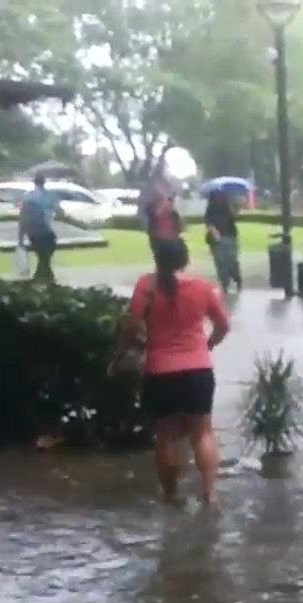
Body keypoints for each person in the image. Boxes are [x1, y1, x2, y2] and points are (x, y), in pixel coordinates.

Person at [109, 238, 229, 505]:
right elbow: (223, 326)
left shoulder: (146, 285)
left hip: (160, 371)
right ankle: (209, 493)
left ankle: (170, 494)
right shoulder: (203, 287)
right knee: (202, 433)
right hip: (198, 371)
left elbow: (130, 327)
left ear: (157, 258)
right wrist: (206, 345)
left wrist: (117, 360)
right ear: (185, 259)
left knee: (165, 436)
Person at [18, 175, 58, 282]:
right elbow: (60, 211)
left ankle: (42, 277)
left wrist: (21, 237)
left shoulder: (27, 197)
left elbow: (22, 219)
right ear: (44, 182)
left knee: (43, 257)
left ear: (34, 183)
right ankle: (46, 277)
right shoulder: (50, 196)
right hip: (46, 232)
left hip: (33, 233)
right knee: (45, 257)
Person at [204, 190, 241, 292]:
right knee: (223, 262)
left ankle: (234, 280)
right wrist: (215, 233)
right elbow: (209, 223)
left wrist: (234, 206)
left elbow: (234, 217)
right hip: (220, 239)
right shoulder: (211, 209)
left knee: (228, 261)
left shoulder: (227, 207)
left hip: (228, 236)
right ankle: (226, 284)